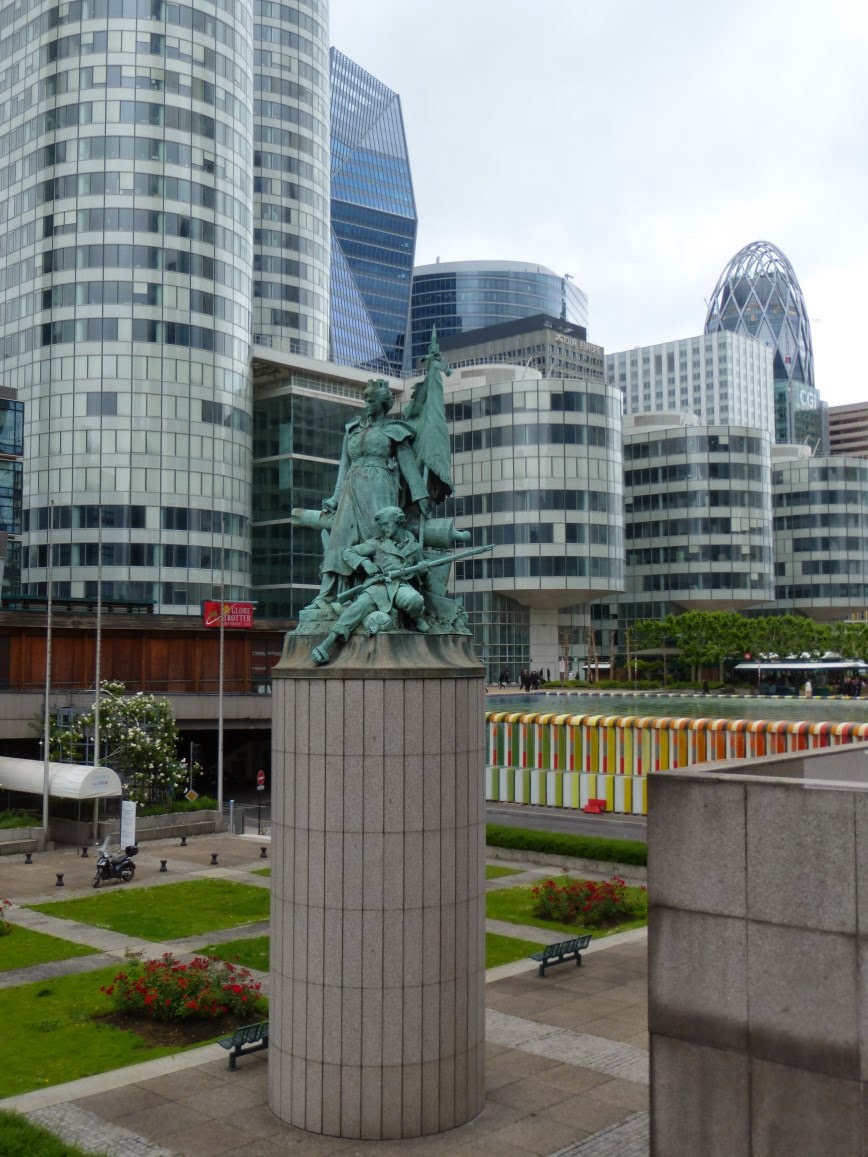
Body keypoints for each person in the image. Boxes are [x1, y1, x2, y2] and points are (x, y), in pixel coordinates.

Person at [312, 379, 431, 607]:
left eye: (371, 400)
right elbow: (344, 467)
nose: (366, 404)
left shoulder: (394, 430)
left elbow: (408, 465)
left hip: (380, 489)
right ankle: (325, 596)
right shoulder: (353, 431)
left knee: (377, 540)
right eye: (365, 400)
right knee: (339, 540)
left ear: (383, 404)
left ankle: (374, 597)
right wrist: (336, 499)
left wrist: (420, 495)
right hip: (351, 487)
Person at [312, 507, 430, 665]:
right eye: (381, 525)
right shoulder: (376, 543)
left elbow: (425, 579)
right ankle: (327, 643)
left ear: (399, 523)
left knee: (415, 600)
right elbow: (348, 552)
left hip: (401, 586)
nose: (383, 528)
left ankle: (415, 618)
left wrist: (423, 571)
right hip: (378, 587)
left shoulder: (415, 547)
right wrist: (365, 562)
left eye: (386, 524)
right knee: (357, 608)